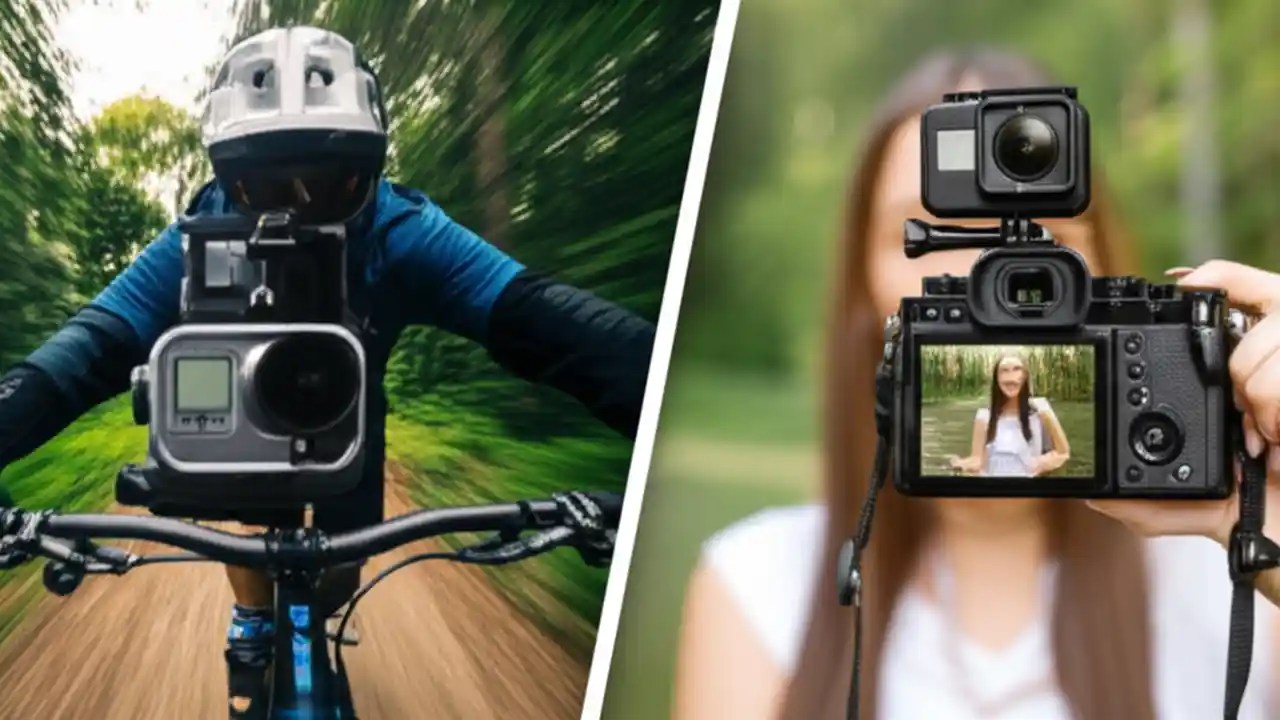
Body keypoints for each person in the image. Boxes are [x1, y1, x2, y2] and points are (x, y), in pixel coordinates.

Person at [0, 27, 652, 707]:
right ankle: (252, 612)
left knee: (340, 564)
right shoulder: (200, 236)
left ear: (369, 171)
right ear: (229, 182)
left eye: (331, 183)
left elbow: (547, 323)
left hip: (348, 410)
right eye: (267, 188)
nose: (302, 208)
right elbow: (86, 352)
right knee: (247, 518)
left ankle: (298, 606)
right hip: (248, 413)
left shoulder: (405, 232)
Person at [674, 48, 1280, 720]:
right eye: (932, 237)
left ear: (1107, 274)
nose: (989, 274)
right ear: (863, 293)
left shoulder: (1234, 575)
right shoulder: (756, 586)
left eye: (1044, 242)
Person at [946, 353, 1070, 477]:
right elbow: (977, 461)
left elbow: (1063, 453)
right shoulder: (984, 416)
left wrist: (1042, 463)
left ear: (1025, 376)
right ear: (997, 379)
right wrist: (960, 464)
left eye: (1017, 369)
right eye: (1004, 371)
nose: (1011, 377)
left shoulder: (1040, 410)